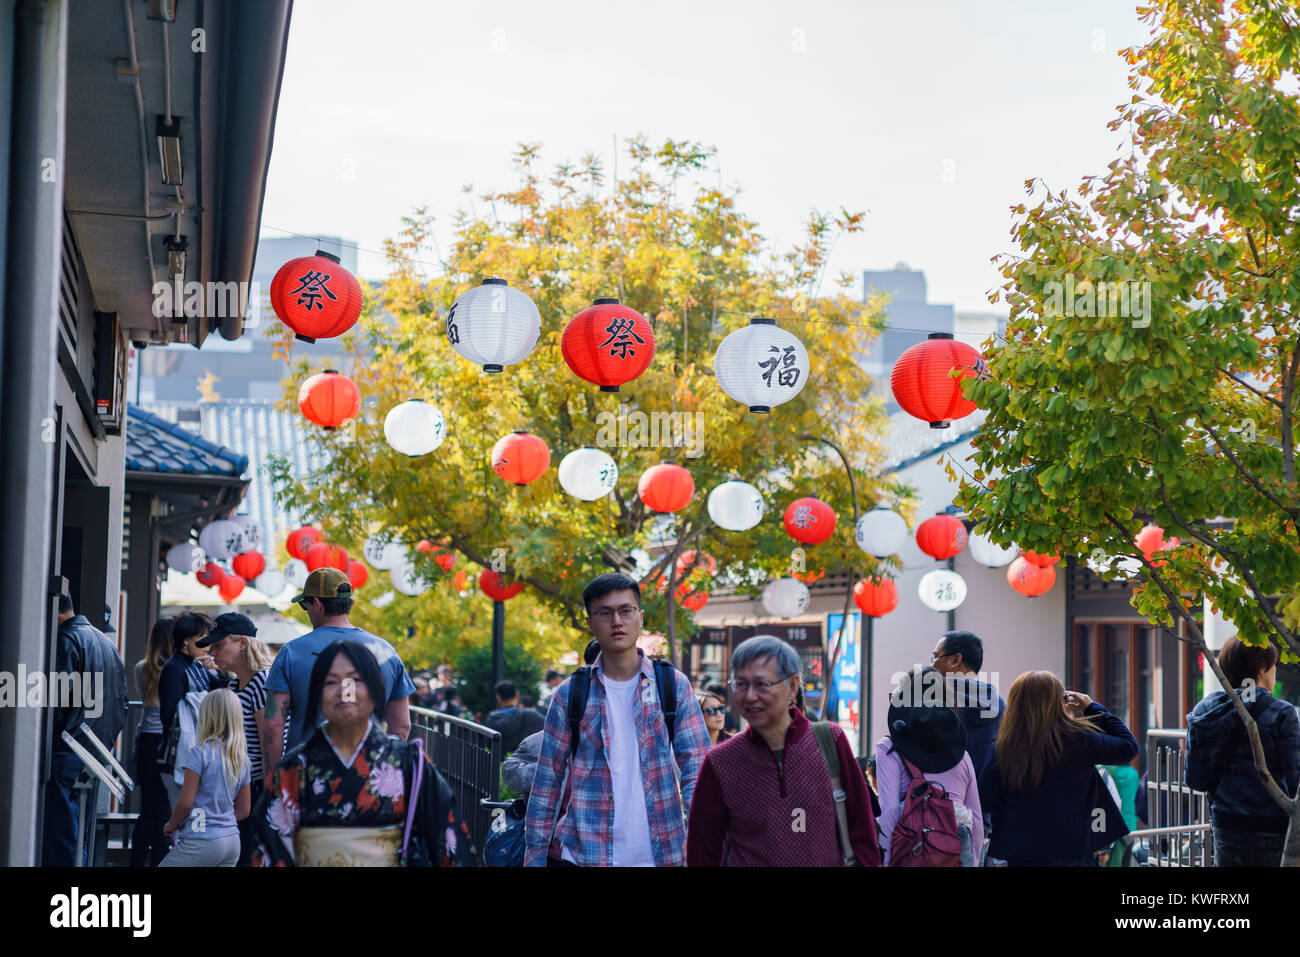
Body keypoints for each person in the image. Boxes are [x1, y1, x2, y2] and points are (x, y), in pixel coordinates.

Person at [524, 573, 709, 867]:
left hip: (662, 853)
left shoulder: (672, 685)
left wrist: (702, 837)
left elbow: (697, 771)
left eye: (626, 610)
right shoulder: (570, 693)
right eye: (605, 613)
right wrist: (534, 856)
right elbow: (548, 781)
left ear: (641, 618)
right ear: (590, 623)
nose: (617, 621)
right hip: (586, 854)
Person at [253, 640, 471, 866]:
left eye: (355, 680)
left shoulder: (410, 763)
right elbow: (270, 850)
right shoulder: (293, 770)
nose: (344, 691)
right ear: (316, 693)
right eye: (330, 682)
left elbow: (449, 842)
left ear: (376, 689)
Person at [686, 636, 879, 866]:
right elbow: (702, 852)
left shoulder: (830, 742)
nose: (749, 696)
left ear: (793, 686)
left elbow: (863, 834)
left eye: (762, 684)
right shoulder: (720, 762)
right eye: (740, 684)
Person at [263, 568, 416, 785]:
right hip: (368, 780)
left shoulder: (291, 653)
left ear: (317, 603)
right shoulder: (386, 652)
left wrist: (273, 781)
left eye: (305, 605)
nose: (306, 611)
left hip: (306, 780)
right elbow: (401, 726)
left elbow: (273, 726)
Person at [979, 671, 1138, 866]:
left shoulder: (1003, 748)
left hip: (1022, 853)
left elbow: (987, 800)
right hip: (1075, 849)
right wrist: (1091, 707)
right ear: (1059, 702)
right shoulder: (1079, 740)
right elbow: (1128, 747)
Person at [1186, 637, 1300, 867]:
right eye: (1273, 664)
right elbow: (1296, 778)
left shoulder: (1205, 710)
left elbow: (1194, 779)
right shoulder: (1281, 713)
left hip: (1225, 824)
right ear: (1261, 669)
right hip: (1271, 827)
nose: (1275, 670)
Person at [42, 593, 130, 866]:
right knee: (81, 835)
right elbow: (122, 701)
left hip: (67, 749)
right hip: (95, 751)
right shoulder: (106, 642)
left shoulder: (66, 639)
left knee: (61, 837)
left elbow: (54, 701)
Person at [875, 668, 982, 866]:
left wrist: (887, 859)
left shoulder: (889, 749)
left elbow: (889, 810)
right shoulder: (962, 757)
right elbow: (975, 820)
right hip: (955, 853)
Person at [200, 612, 274, 867]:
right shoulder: (234, 687)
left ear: (242, 643)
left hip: (257, 789)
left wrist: (269, 794)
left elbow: (270, 742)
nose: (212, 652)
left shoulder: (262, 682)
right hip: (238, 789)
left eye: (219, 645)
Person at [160, 688, 251, 867]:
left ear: (206, 716)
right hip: (232, 840)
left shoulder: (198, 754)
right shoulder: (242, 759)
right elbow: (244, 810)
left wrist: (172, 824)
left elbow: (185, 803)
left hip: (201, 839)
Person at [158, 611, 229, 805]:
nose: (207, 644)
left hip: (198, 750)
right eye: (201, 638)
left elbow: (225, 688)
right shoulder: (174, 668)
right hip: (180, 752)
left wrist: (217, 670)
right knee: (181, 811)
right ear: (185, 640)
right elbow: (168, 716)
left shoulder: (198, 666)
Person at [131, 616, 175, 866]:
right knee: (164, 807)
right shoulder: (175, 669)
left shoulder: (142, 668)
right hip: (166, 739)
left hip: (145, 739)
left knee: (147, 807)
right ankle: (160, 860)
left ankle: (136, 861)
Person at [486, 680, 546, 754]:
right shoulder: (532, 715)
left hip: (500, 763)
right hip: (525, 762)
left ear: (498, 698)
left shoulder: (493, 719)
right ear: (517, 694)